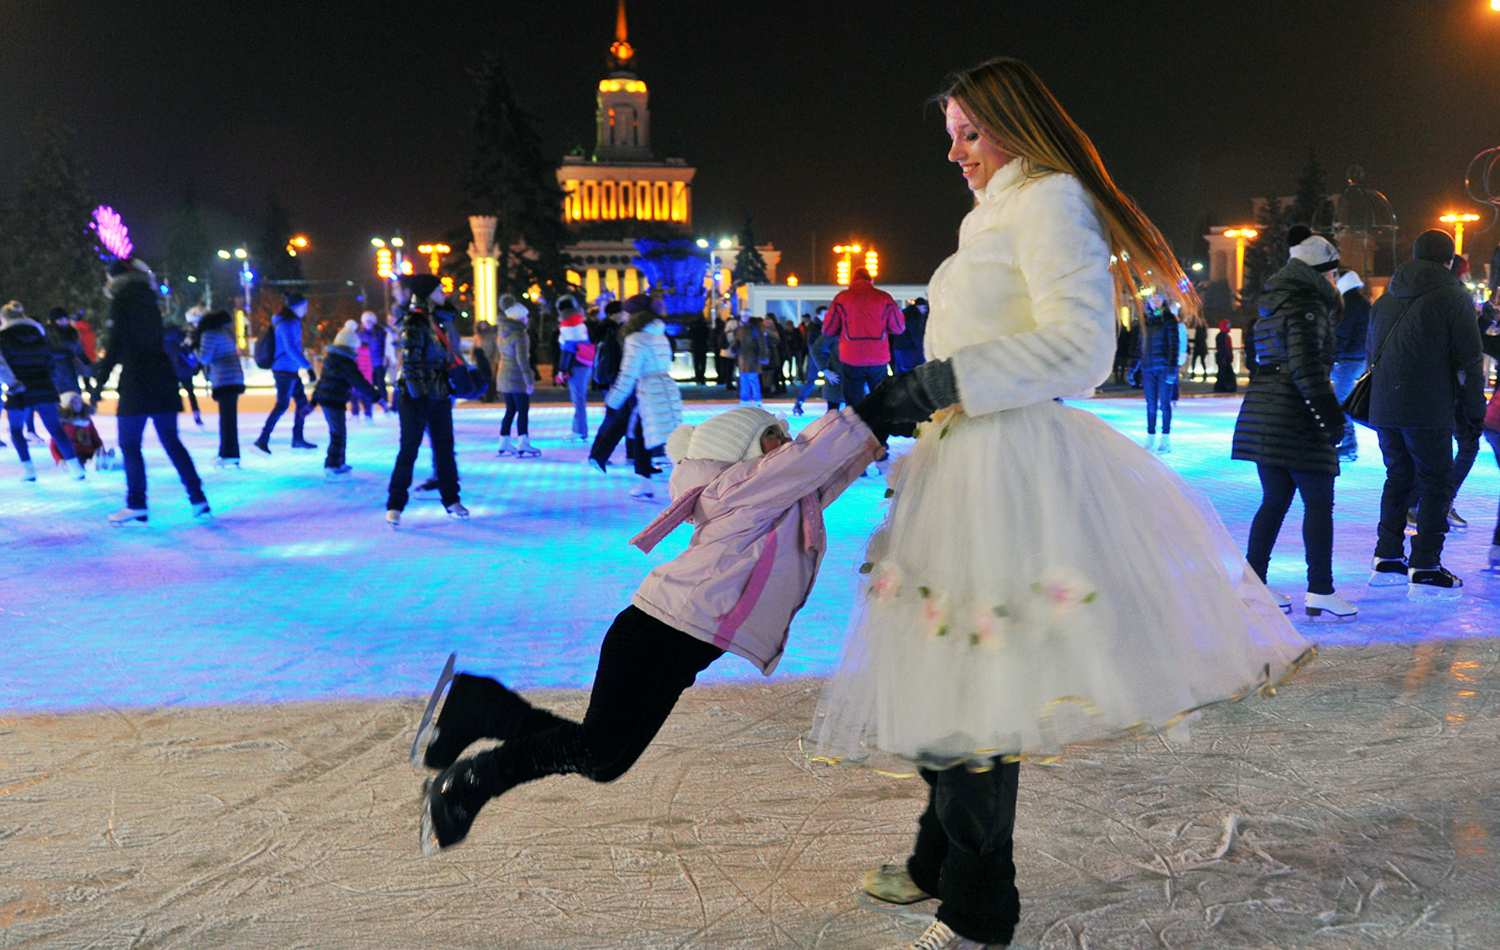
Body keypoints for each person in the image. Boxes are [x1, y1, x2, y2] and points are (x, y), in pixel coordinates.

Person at [811, 59, 1311, 950]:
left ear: (1014, 123)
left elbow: (1082, 349)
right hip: (959, 461)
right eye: (951, 137)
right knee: (944, 666)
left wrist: (936, 382)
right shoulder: (995, 211)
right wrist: (924, 398)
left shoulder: (1047, 201)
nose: (957, 153)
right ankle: (936, 859)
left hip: (1005, 472)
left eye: (971, 132)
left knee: (974, 682)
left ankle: (979, 906)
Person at [415, 405, 884, 853]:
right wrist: (877, 411)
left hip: (669, 642)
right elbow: (811, 458)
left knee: (604, 759)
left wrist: (878, 432)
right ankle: (471, 780)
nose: (784, 441)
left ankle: (481, 707)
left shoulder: (775, 498)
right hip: (654, 634)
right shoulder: (741, 489)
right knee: (600, 750)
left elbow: (821, 473)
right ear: (744, 456)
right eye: (773, 437)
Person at [1231, 231, 1356, 619]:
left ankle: (1253, 583)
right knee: (1319, 504)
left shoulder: (1274, 302)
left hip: (1265, 413)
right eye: (1333, 274)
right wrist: (1333, 421)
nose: (1335, 282)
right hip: (1296, 417)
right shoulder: (1308, 305)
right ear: (1322, 273)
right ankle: (1320, 589)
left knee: (1275, 500)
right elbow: (1306, 367)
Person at [1365, 228, 1486, 599]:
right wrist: (1474, 409)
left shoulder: (1386, 298)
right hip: (1428, 406)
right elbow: (1468, 358)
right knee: (1435, 481)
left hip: (1385, 405)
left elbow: (1371, 351)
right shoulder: (1454, 295)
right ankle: (1426, 566)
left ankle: (1387, 559)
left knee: (1398, 476)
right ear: (1449, 260)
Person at [93, 260, 209, 523]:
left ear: (114, 279)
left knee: (130, 444)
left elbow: (116, 345)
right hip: (163, 375)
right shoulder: (149, 299)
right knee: (171, 440)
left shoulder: (121, 300)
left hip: (137, 378)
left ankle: (137, 504)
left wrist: (99, 382)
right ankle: (198, 498)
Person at [386, 274, 465, 526]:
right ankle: (395, 504)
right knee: (409, 449)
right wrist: (419, 395)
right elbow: (410, 363)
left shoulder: (437, 320)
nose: (444, 293)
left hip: (439, 393)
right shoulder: (414, 321)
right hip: (415, 396)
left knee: (445, 447)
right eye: (439, 289)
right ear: (427, 293)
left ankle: (451, 499)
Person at [605, 295, 683, 499]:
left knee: (644, 435)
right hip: (665, 387)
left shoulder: (636, 339)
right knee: (663, 435)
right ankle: (648, 480)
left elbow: (628, 373)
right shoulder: (660, 334)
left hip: (649, 390)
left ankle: (649, 481)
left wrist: (614, 399)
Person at [0, 302, 85, 482]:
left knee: (16, 430)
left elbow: (2, 365)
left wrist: (12, 384)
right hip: (44, 387)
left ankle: (29, 470)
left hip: (19, 389)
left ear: (5, 318)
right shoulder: (40, 334)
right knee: (55, 428)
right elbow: (50, 361)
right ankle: (76, 468)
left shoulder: (3, 337)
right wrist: (51, 383)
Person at [822, 267, 905, 406]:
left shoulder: (842, 298)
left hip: (851, 356)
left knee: (854, 402)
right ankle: (878, 426)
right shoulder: (884, 297)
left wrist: (843, 331)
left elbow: (828, 329)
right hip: (878, 357)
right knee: (880, 401)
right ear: (870, 280)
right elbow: (899, 327)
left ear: (852, 280)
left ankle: (857, 424)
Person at [312, 321, 382, 479]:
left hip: (328, 400)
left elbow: (321, 382)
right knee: (338, 434)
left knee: (338, 432)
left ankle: (339, 461)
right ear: (350, 346)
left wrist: (313, 402)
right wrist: (377, 398)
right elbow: (360, 383)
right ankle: (332, 464)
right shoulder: (346, 363)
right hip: (333, 400)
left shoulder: (331, 360)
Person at [253, 292, 317, 455]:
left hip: (291, 369)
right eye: (304, 306)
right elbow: (290, 348)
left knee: (302, 403)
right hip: (283, 370)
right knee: (282, 405)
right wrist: (308, 367)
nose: (306, 309)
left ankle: (297, 438)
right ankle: (263, 439)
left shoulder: (291, 322)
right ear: (296, 307)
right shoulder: (287, 324)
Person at [194, 309, 244, 468]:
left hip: (223, 377)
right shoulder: (226, 332)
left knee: (226, 419)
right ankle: (228, 453)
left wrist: (194, 348)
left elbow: (205, 358)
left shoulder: (209, 334)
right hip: (235, 376)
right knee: (230, 418)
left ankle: (229, 454)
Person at [1330, 270, 1370, 461]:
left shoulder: (1348, 305)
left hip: (1347, 360)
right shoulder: (1363, 303)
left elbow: (1343, 334)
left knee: (1341, 404)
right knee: (1342, 401)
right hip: (1360, 358)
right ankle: (1347, 443)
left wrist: (1334, 356)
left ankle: (1348, 445)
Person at [1136, 293, 1181, 453]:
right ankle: (1150, 436)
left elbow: (1174, 346)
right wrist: (1134, 367)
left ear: (1164, 302)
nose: (1155, 302)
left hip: (1163, 368)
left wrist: (1171, 369)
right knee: (1150, 405)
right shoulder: (1145, 320)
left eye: (1159, 299)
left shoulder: (1169, 320)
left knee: (1164, 404)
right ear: (1148, 302)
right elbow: (1140, 345)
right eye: (1152, 299)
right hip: (1148, 369)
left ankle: (1165, 438)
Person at [495, 296, 539, 458]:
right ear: (519, 318)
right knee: (522, 410)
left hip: (504, 374)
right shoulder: (519, 334)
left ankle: (504, 441)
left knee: (510, 409)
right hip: (516, 377)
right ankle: (523, 442)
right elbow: (522, 359)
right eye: (525, 316)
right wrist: (529, 380)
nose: (527, 319)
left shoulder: (503, 333)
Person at [555, 295, 594, 441]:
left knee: (578, 399)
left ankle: (580, 431)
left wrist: (562, 369)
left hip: (576, 364)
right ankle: (578, 429)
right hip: (585, 362)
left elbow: (568, 348)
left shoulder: (568, 324)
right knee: (579, 398)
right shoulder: (580, 321)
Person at [162, 313, 202, 426]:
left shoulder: (164, 338)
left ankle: (170, 417)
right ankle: (196, 413)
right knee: (191, 393)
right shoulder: (184, 336)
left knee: (171, 394)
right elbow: (192, 350)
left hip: (171, 370)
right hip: (185, 370)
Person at [358, 310, 391, 410]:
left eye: (370, 321)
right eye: (366, 321)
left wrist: (386, 358)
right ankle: (371, 403)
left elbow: (386, 346)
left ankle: (385, 403)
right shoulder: (360, 335)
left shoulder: (380, 333)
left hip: (379, 362)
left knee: (380, 383)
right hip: (367, 364)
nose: (368, 323)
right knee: (369, 384)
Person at [732, 315, 766, 405]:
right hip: (743, 357)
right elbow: (737, 341)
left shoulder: (753, 329)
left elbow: (761, 342)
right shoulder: (740, 329)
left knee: (752, 378)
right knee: (744, 378)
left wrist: (761, 354)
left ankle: (757, 399)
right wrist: (735, 348)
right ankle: (746, 399)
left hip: (751, 357)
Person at [891, 297, 929, 375]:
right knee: (909, 374)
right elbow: (917, 335)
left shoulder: (905, 313)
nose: (925, 310)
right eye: (924, 307)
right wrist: (922, 349)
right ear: (919, 306)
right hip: (908, 350)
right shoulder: (915, 317)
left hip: (898, 348)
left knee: (900, 374)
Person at [472, 318, 499, 404]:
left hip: (490, 359)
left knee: (489, 378)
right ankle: (482, 395)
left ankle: (490, 395)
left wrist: (496, 358)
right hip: (480, 360)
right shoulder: (477, 336)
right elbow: (474, 347)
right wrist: (473, 356)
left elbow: (496, 348)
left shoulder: (492, 336)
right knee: (481, 377)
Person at [1213, 319, 1238, 393]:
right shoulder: (1223, 336)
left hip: (1223, 357)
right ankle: (1221, 387)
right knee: (1223, 372)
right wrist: (1226, 356)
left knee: (1223, 372)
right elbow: (1223, 347)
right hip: (1223, 358)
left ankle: (1221, 387)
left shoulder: (1223, 336)